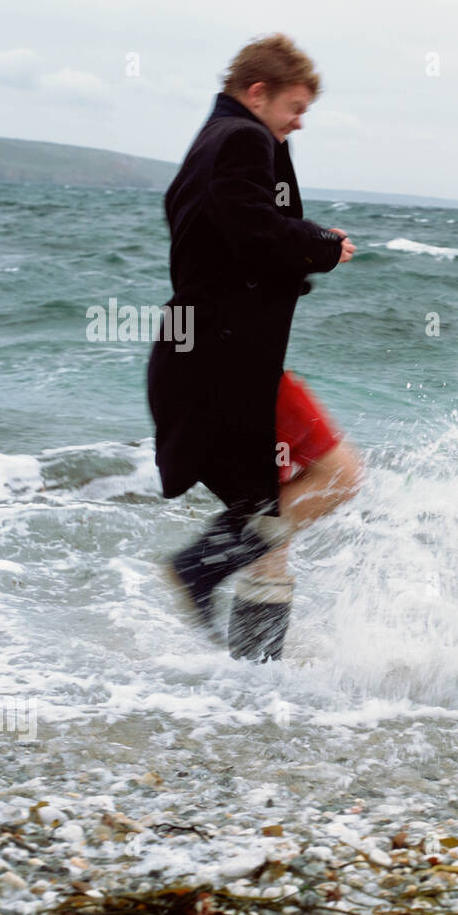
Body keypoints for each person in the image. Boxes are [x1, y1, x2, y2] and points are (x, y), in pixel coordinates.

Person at [148, 34, 364, 662]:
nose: (299, 123)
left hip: (207, 355)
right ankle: (198, 566)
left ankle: (251, 684)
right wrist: (321, 243)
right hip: (226, 361)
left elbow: (235, 230)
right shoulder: (240, 140)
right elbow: (252, 230)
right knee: (339, 477)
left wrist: (303, 237)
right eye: (295, 108)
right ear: (257, 91)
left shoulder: (214, 141)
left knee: (268, 516)